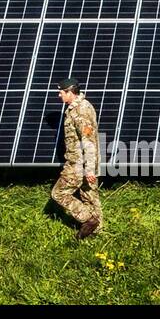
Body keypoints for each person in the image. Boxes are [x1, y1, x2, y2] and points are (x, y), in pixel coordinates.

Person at [46, 77, 102, 238]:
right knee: (89, 196)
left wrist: (89, 169)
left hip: (79, 164)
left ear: (70, 92)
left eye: (61, 92)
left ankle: (89, 219)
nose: (59, 95)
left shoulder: (81, 112)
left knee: (58, 193)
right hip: (84, 163)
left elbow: (88, 140)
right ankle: (96, 233)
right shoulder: (75, 108)